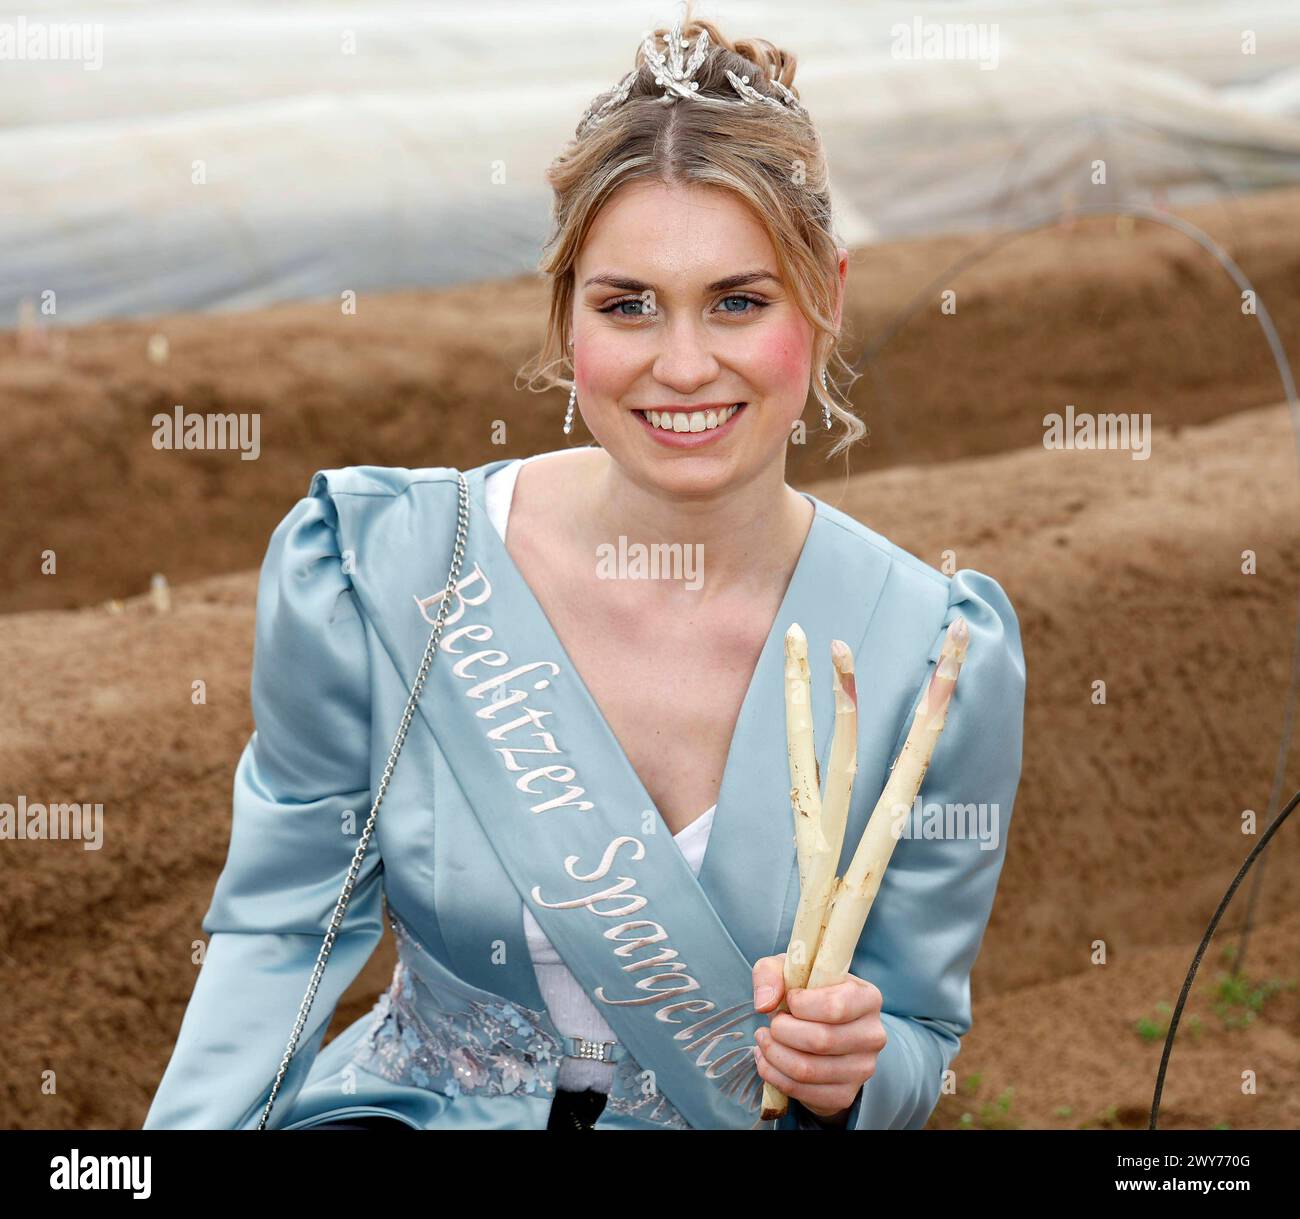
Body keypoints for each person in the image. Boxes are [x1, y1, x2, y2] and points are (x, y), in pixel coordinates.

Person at [143, 3, 1025, 1132]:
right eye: (628, 305)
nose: (683, 363)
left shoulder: (935, 652)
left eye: (739, 301)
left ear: (828, 297)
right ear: (566, 318)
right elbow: (280, 937)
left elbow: (918, 1040)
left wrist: (856, 1063)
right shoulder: (381, 568)